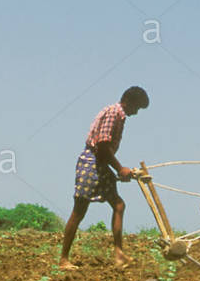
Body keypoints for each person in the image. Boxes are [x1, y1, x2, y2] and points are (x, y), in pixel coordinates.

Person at [58, 86, 149, 270]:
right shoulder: (114, 113)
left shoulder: (118, 115)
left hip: (101, 163)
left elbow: (105, 150)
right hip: (91, 162)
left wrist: (121, 171)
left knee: (118, 205)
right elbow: (102, 145)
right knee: (79, 211)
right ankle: (63, 259)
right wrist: (119, 168)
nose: (136, 113)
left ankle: (119, 255)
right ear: (128, 102)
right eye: (137, 108)